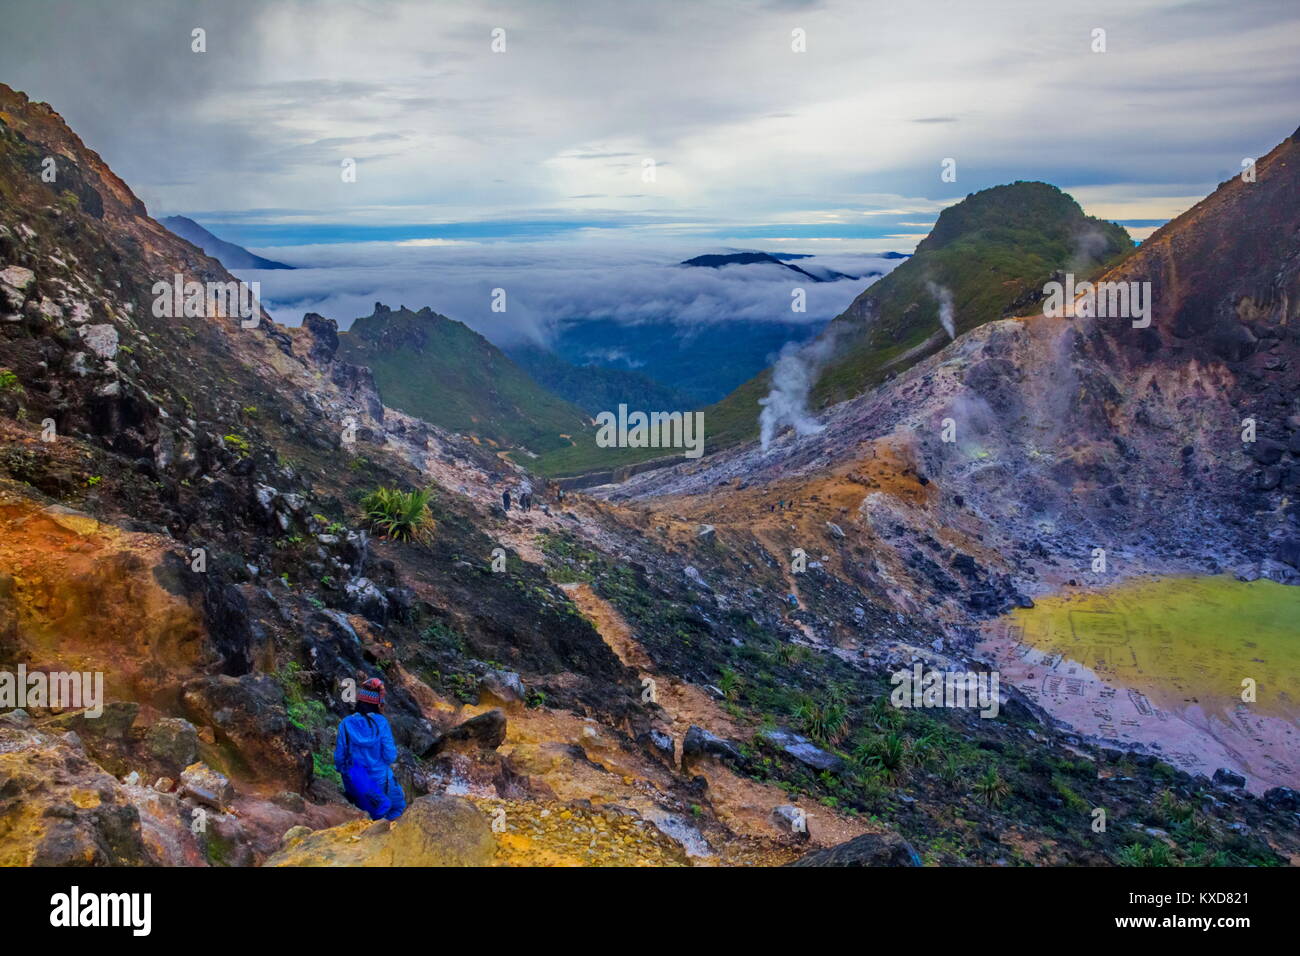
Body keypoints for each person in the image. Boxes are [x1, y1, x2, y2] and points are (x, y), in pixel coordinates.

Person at [334, 677, 406, 821]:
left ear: (360, 700)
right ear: (378, 704)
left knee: (370, 813)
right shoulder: (381, 722)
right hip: (382, 780)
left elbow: (339, 758)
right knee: (398, 808)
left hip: (358, 782)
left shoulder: (346, 723)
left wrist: (348, 773)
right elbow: (390, 756)